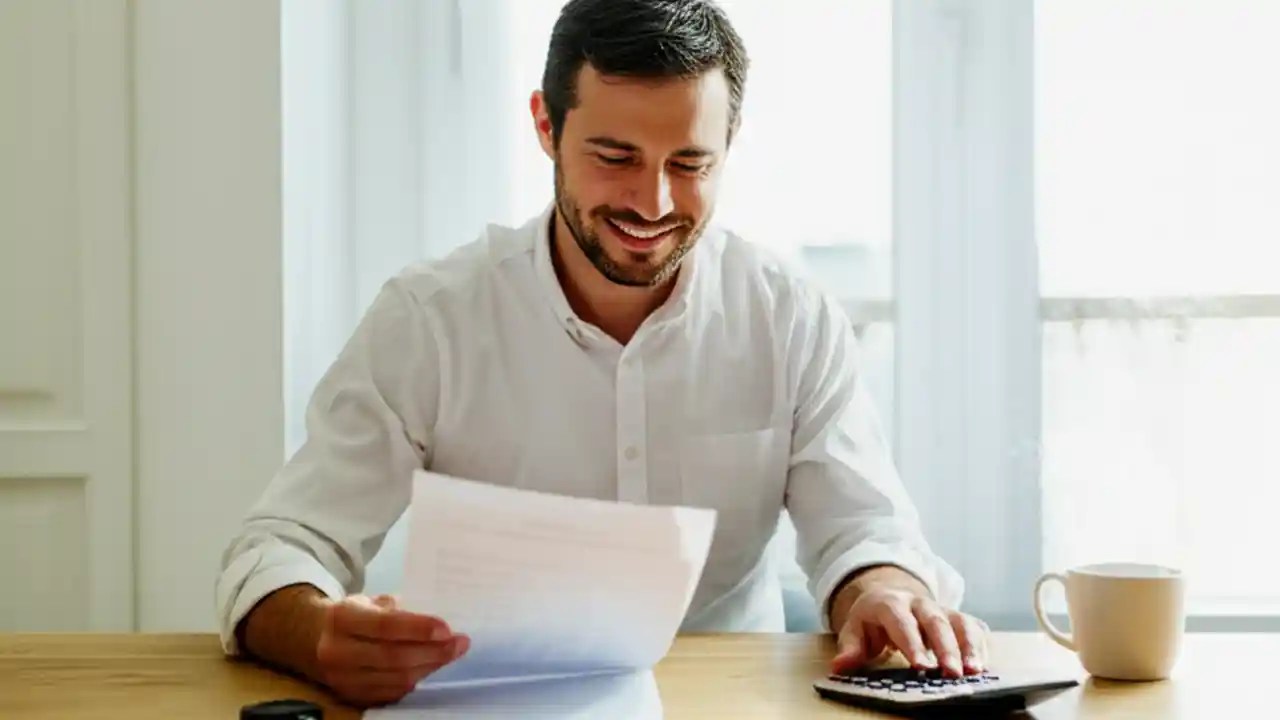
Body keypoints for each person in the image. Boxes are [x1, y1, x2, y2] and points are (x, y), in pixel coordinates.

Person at [216, 0, 988, 707]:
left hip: (726, 704)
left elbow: (865, 532)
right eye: (614, 156)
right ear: (545, 127)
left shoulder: (789, 317)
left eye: (689, 164)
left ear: (729, 145)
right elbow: (283, 545)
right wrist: (316, 632)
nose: (652, 204)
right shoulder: (430, 320)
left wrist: (882, 590)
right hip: (488, 703)